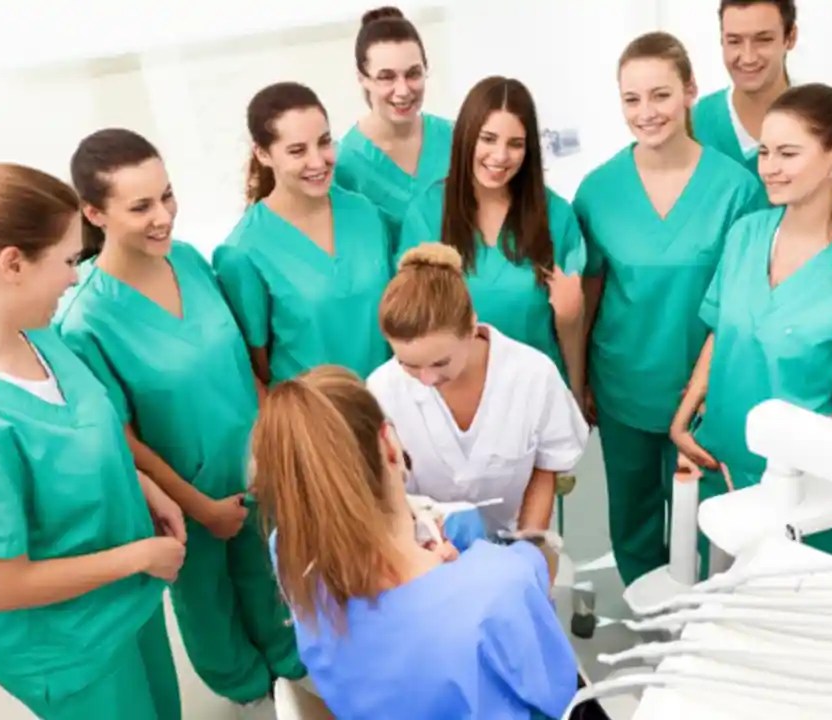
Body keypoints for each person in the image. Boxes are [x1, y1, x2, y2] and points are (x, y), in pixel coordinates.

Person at [0, 164, 186, 719]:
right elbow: (2, 586)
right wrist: (137, 556)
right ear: (13, 263)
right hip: (71, 649)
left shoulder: (34, 331)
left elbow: (78, 432)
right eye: (69, 260)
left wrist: (142, 484)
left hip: (124, 603)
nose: (75, 278)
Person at [54, 129, 302, 709]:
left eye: (166, 196)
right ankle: (245, 686)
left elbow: (241, 363)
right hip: (185, 499)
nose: (162, 216)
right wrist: (201, 507)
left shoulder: (188, 260)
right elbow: (122, 437)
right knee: (209, 601)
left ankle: (290, 671)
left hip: (256, 470)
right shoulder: (84, 319)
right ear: (94, 212)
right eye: (140, 206)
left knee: (271, 580)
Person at [252, 365, 579, 719]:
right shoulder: (500, 586)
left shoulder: (289, 552)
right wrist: (521, 555)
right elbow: (557, 695)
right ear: (391, 445)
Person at [673, 84, 832, 562]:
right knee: (717, 603)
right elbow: (724, 330)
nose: (769, 167)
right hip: (720, 463)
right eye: (764, 152)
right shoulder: (747, 235)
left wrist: (785, 491)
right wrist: (685, 420)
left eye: (787, 153)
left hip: (804, 497)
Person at [573, 31, 763, 586]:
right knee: (632, 521)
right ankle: (647, 629)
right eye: (631, 99)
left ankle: (700, 633)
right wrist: (582, 379)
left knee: (706, 522)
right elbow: (589, 293)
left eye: (660, 95)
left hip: (706, 392)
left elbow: (742, 300)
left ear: (690, 93)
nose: (646, 112)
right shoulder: (599, 190)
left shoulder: (735, 188)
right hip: (623, 383)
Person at [367, 243, 589, 537]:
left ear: (471, 326)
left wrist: (529, 550)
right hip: (424, 549)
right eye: (408, 364)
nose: (426, 379)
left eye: (440, 362)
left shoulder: (533, 375)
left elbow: (545, 469)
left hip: (510, 537)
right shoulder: (382, 389)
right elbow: (384, 490)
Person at [398, 75, 587, 392]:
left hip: (536, 395)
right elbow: (412, 325)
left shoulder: (555, 217)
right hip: (452, 398)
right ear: (466, 137)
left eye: (515, 144)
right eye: (488, 139)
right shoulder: (427, 215)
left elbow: (570, 328)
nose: (500, 156)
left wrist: (576, 397)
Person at [213, 82, 392, 388]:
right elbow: (258, 361)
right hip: (316, 418)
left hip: (390, 402)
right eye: (297, 150)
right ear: (263, 154)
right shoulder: (242, 251)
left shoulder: (364, 212)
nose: (318, 161)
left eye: (324, 142)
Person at [335, 6, 455, 245]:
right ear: (362, 78)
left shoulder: (457, 139)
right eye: (386, 77)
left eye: (413, 74)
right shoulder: (345, 164)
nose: (403, 91)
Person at [693, 0, 797, 174]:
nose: (748, 57)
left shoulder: (823, 121)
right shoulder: (695, 124)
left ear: (790, 38)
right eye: (734, 41)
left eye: (763, 40)